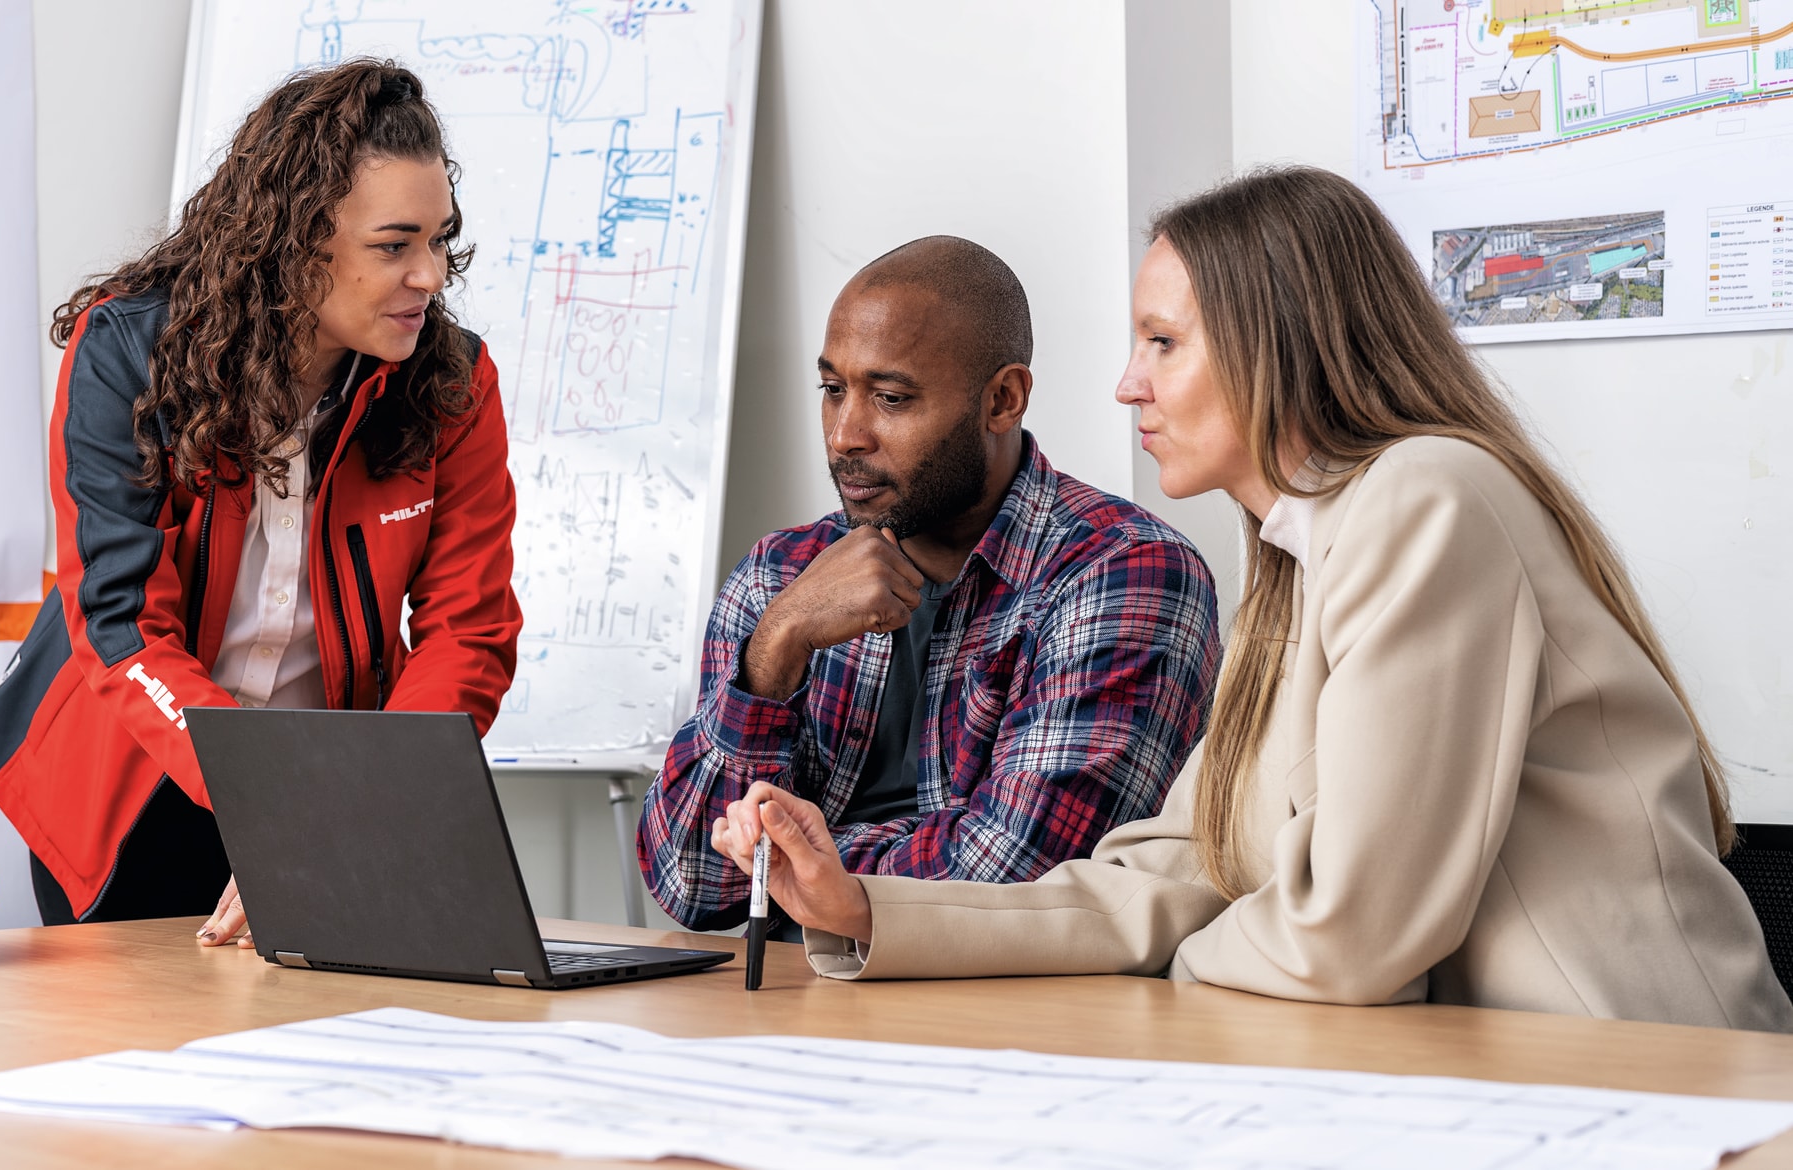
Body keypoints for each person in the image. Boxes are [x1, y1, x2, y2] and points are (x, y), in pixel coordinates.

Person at [712, 169, 1793, 1031]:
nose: (1127, 385)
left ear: (1277, 343)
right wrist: (867, 912)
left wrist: (1179, 952)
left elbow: (1349, 932)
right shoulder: (1294, 561)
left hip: (1646, 1077)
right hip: (1478, 1071)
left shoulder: (1428, 496)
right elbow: (1177, 871)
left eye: (1163, 343)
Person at [0, 61, 522, 941]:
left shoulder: (452, 383)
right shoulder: (129, 354)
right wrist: (280, 808)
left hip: (342, 791)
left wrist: (375, 802)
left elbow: (468, 629)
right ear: (297, 239)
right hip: (136, 780)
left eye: (441, 239)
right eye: (394, 244)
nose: (430, 275)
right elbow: (123, 626)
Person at [641, 236, 1222, 934]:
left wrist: (794, 860)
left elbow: (1020, 874)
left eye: (890, 398)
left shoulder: (1123, 570)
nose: (845, 435)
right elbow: (690, 882)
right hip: (796, 1009)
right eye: (832, 390)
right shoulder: (781, 577)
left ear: (1002, 400)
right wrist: (776, 647)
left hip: (1022, 1021)